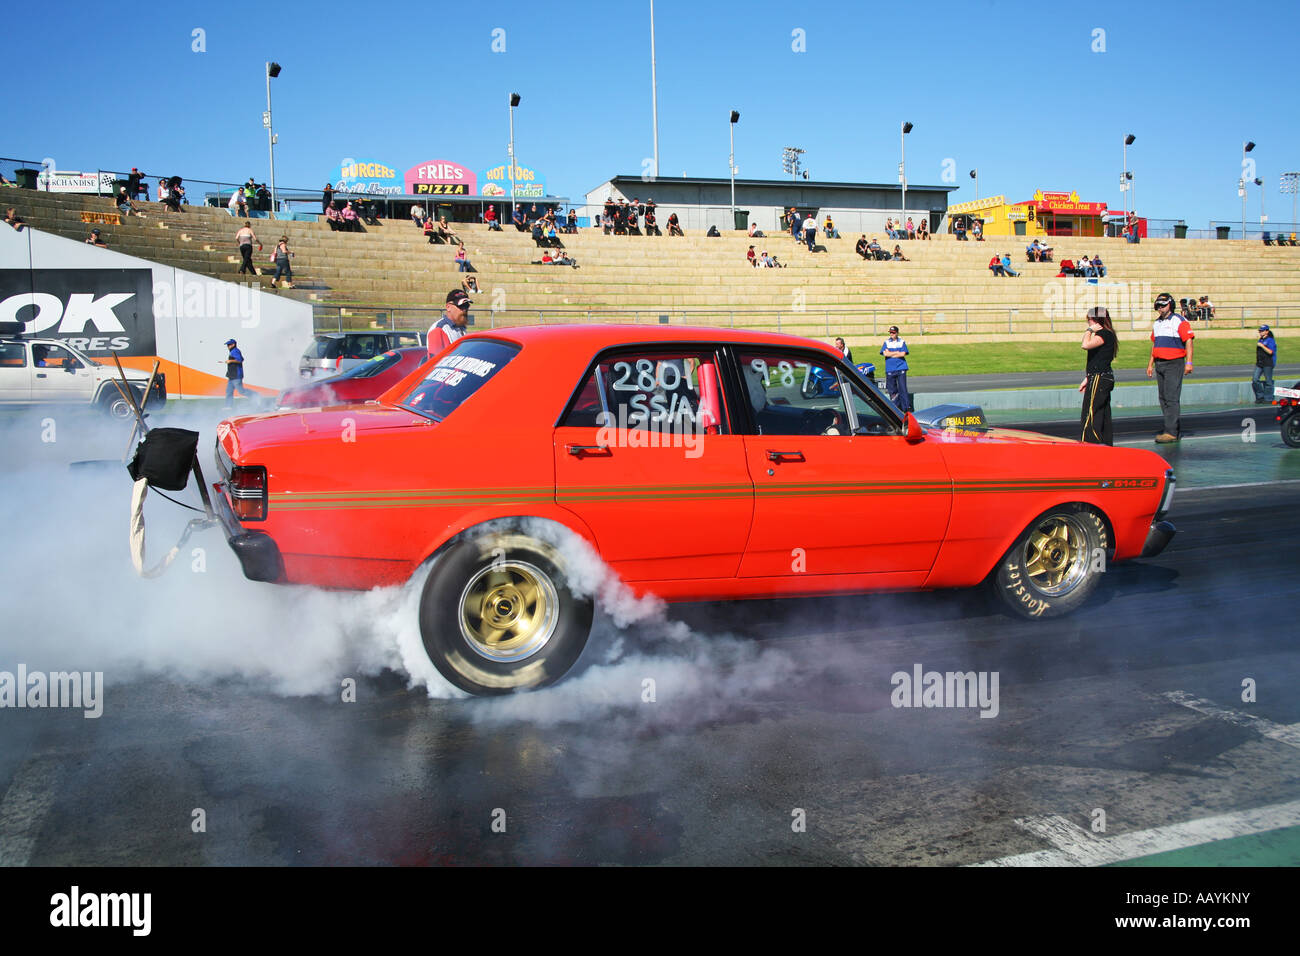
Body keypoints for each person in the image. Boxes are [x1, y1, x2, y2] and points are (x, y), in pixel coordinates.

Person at [1146, 291, 1194, 443]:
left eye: (1163, 305)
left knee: (1172, 398)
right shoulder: (1157, 323)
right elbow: (1155, 344)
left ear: (1170, 305)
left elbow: (1189, 341)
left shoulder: (1179, 321)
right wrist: (1150, 364)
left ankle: (1171, 432)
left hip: (1174, 363)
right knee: (1163, 398)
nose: (1160, 308)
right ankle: (1172, 428)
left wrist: (1189, 362)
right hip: (1160, 362)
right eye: (1158, 306)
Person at [1079, 306, 1117, 445]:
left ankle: (1089, 442)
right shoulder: (1108, 334)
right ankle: (1105, 442)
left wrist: (1089, 331)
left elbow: (1085, 345)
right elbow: (1099, 359)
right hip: (1099, 375)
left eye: (1089, 320)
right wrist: (1087, 378)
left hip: (1099, 377)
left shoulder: (1104, 334)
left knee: (1090, 412)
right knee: (1103, 412)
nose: (1088, 323)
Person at [428, 289, 471, 356]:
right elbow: (437, 363)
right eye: (461, 306)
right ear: (448, 307)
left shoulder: (461, 327)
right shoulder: (439, 330)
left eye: (466, 306)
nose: (465, 310)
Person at [880, 326, 911, 412]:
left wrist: (891, 354)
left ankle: (906, 408)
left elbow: (903, 354)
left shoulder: (901, 342)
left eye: (893, 333)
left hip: (901, 367)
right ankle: (896, 407)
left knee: (903, 388)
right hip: (890, 368)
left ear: (897, 333)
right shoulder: (886, 342)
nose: (891, 334)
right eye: (890, 333)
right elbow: (885, 354)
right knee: (892, 389)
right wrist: (897, 352)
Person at [221, 339, 251, 407]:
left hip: (236, 375)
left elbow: (240, 360)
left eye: (229, 345)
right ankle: (228, 406)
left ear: (233, 344)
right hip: (231, 376)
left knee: (241, 391)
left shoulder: (235, 351)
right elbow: (242, 359)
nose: (227, 346)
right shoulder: (233, 351)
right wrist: (230, 361)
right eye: (227, 345)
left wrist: (230, 361)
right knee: (229, 392)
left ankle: (254, 395)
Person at [1254, 324, 1278, 404]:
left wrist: (1262, 346)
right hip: (1260, 363)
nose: (1260, 332)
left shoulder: (1270, 340)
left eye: (1262, 331)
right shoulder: (1260, 339)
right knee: (1255, 379)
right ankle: (1260, 396)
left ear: (1267, 331)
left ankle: (1268, 398)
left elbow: (1270, 352)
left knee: (1268, 381)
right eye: (1260, 330)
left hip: (1268, 363)